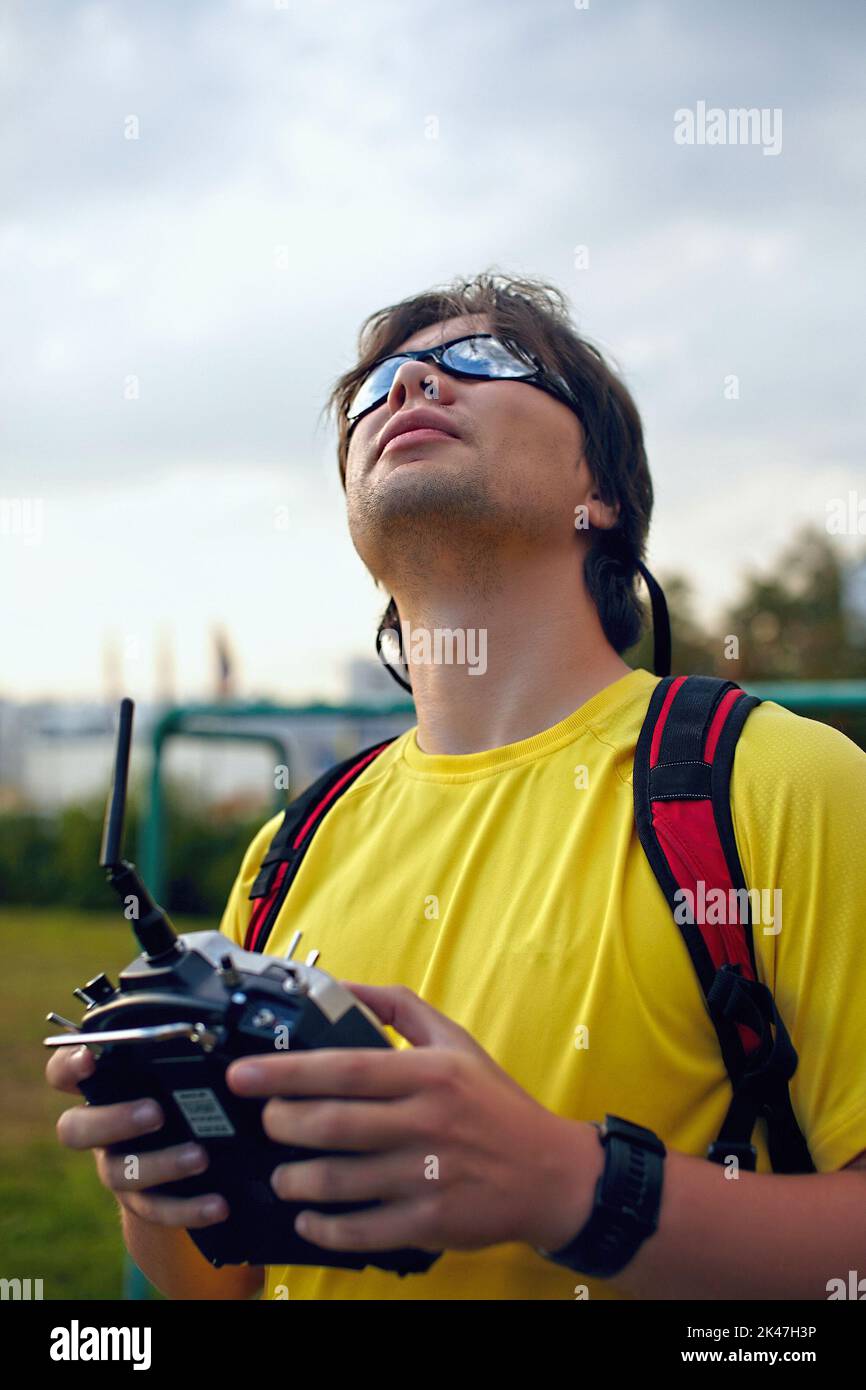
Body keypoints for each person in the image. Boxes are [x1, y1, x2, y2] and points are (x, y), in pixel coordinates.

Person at [48, 271, 866, 1301]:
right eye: (374, 386)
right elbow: (220, 1288)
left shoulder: (775, 785)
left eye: (482, 359)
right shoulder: (291, 846)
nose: (409, 385)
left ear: (599, 493)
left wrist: (566, 1187)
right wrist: (159, 1180)